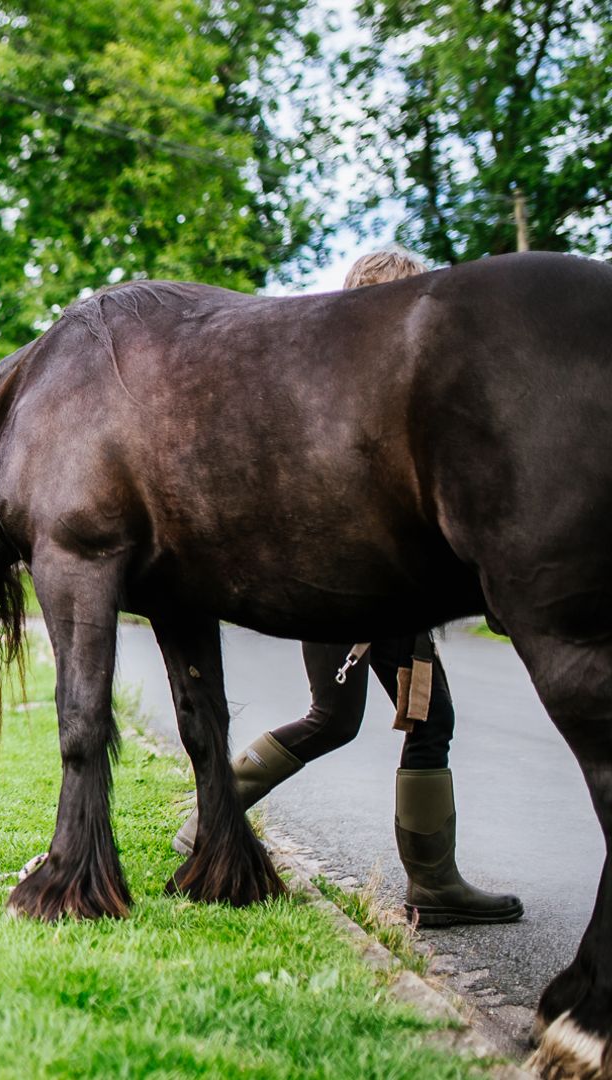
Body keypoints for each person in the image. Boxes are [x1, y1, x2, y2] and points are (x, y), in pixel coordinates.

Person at [175, 248, 522, 927]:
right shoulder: (375, 388)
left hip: (358, 588)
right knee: (381, 720)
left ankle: (210, 824)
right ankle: (431, 884)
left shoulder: (337, 383)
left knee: (361, 719)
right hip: (365, 589)